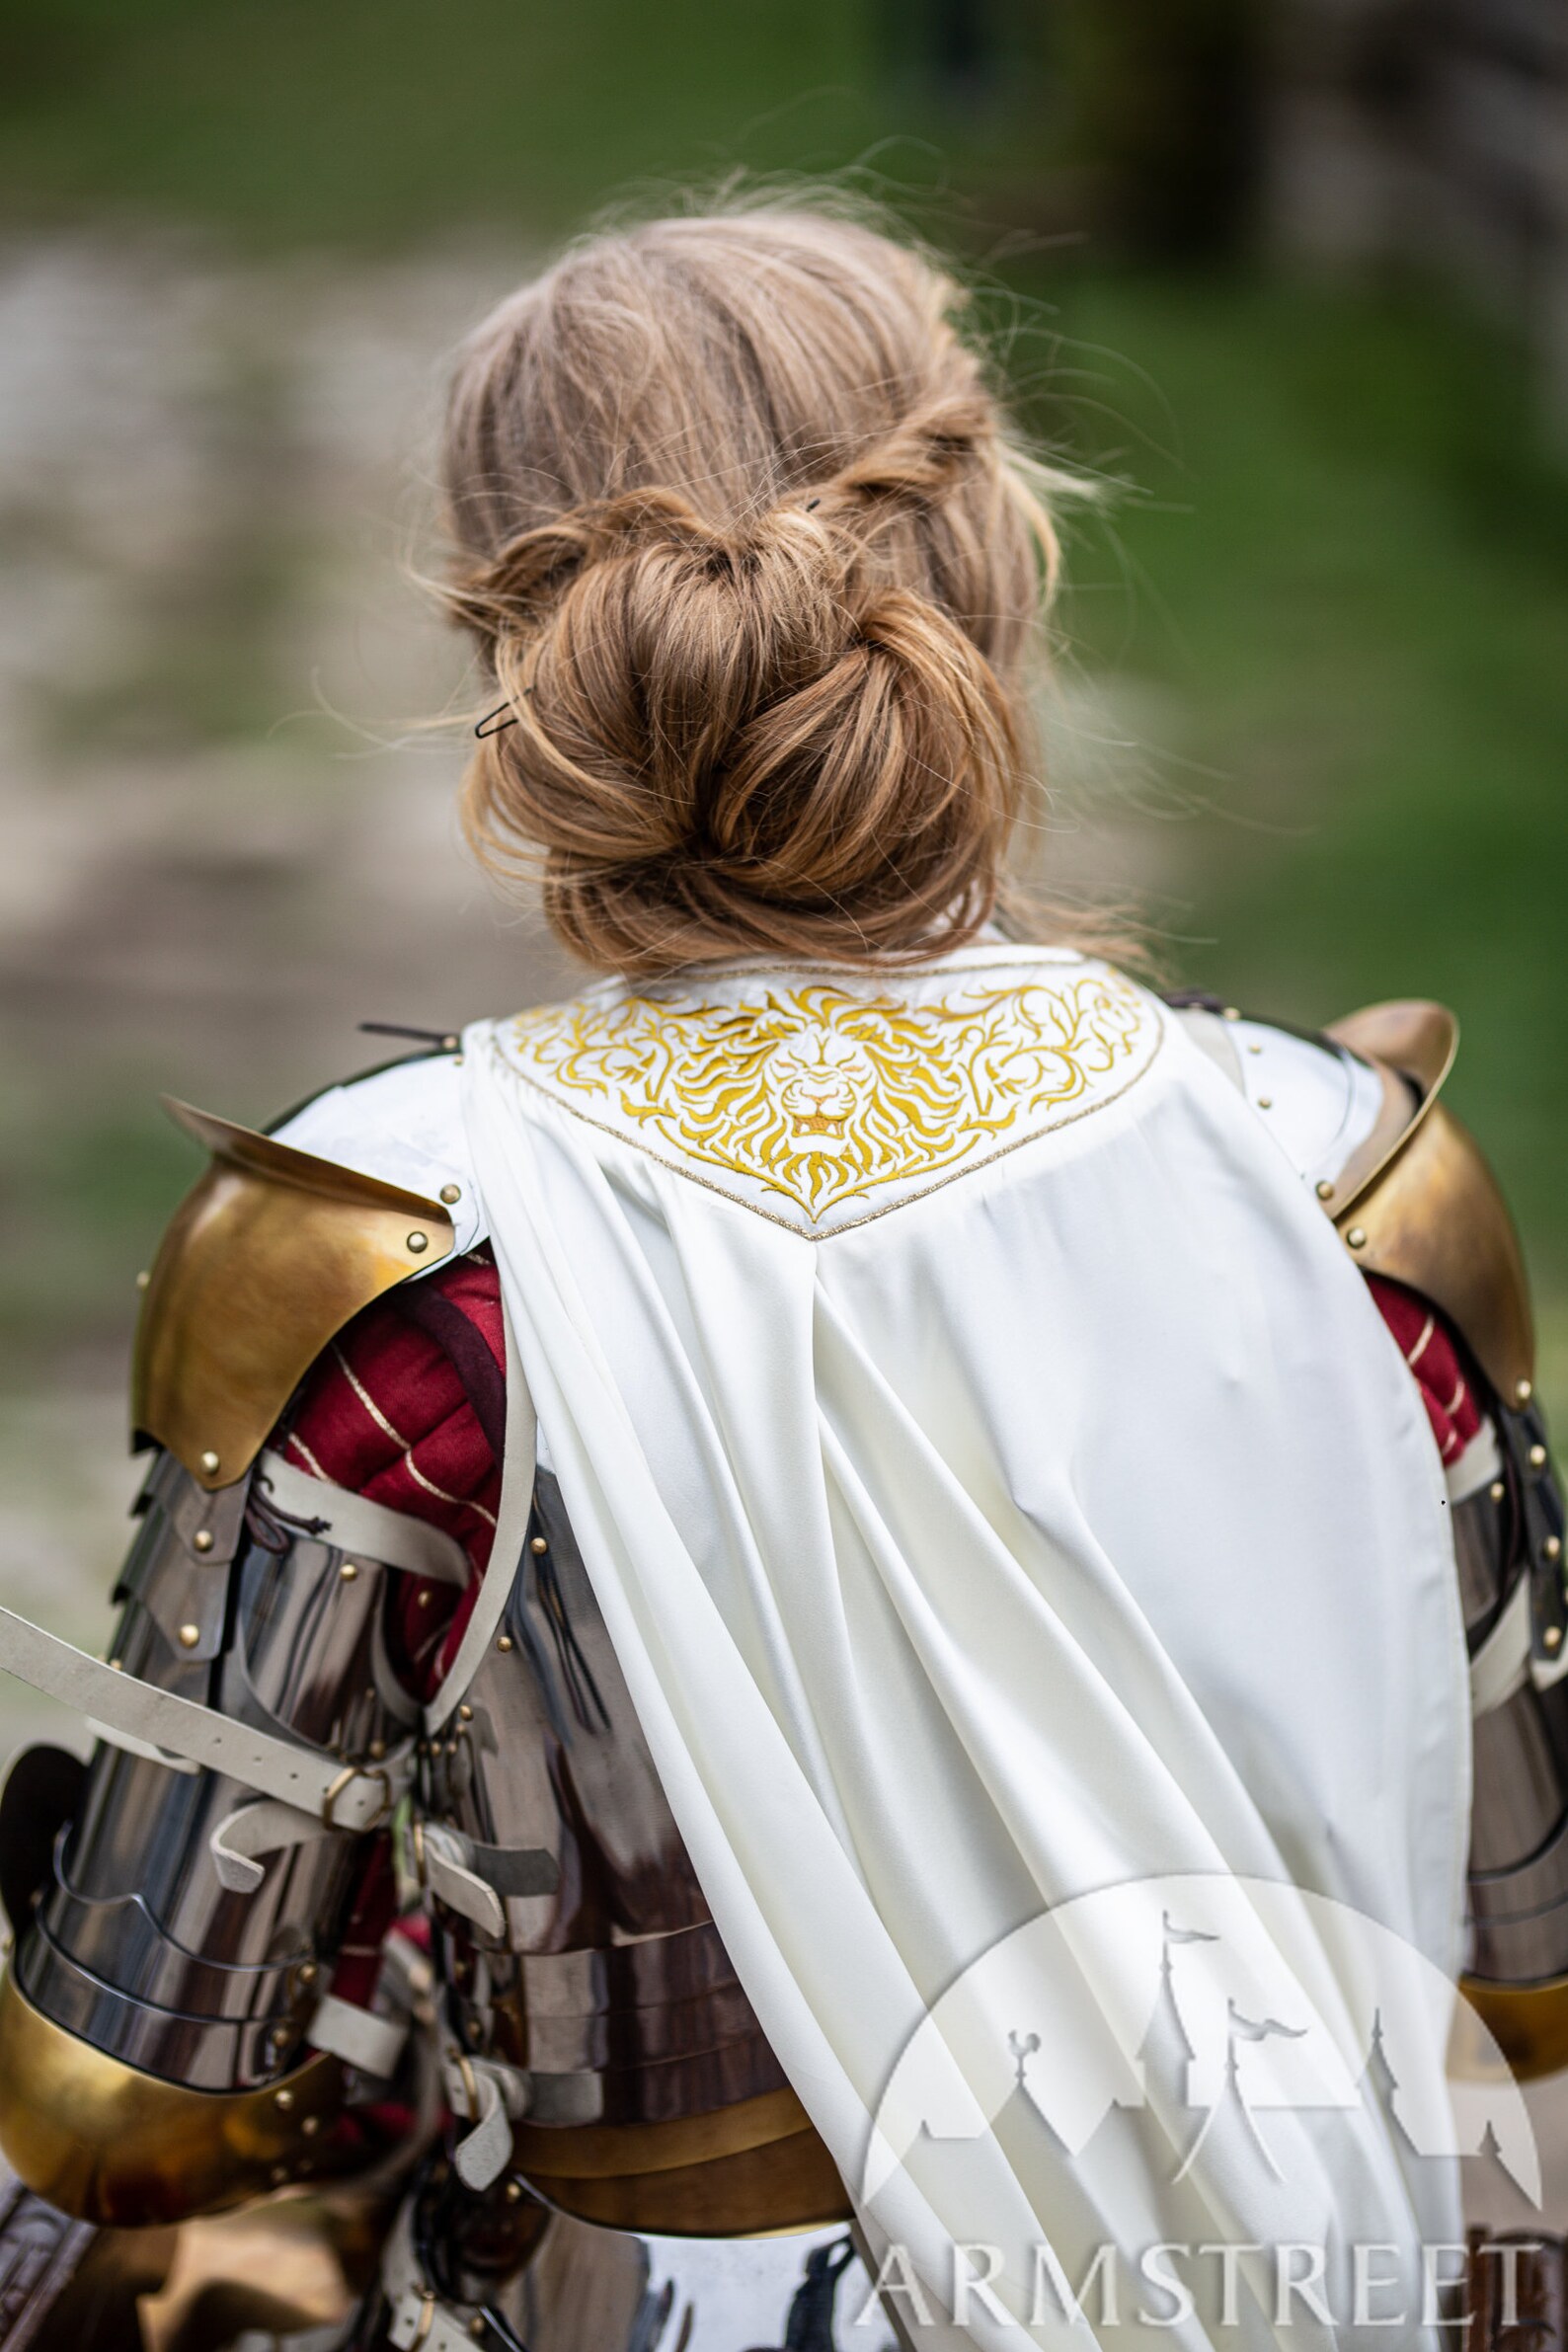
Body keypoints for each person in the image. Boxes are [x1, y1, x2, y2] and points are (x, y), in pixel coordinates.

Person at [0, 204, 1562, 2352]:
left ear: (517, 643)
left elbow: (126, 2109)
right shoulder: (1343, 1187)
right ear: (999, 564)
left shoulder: (382, 1256)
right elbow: (1523, 1967)